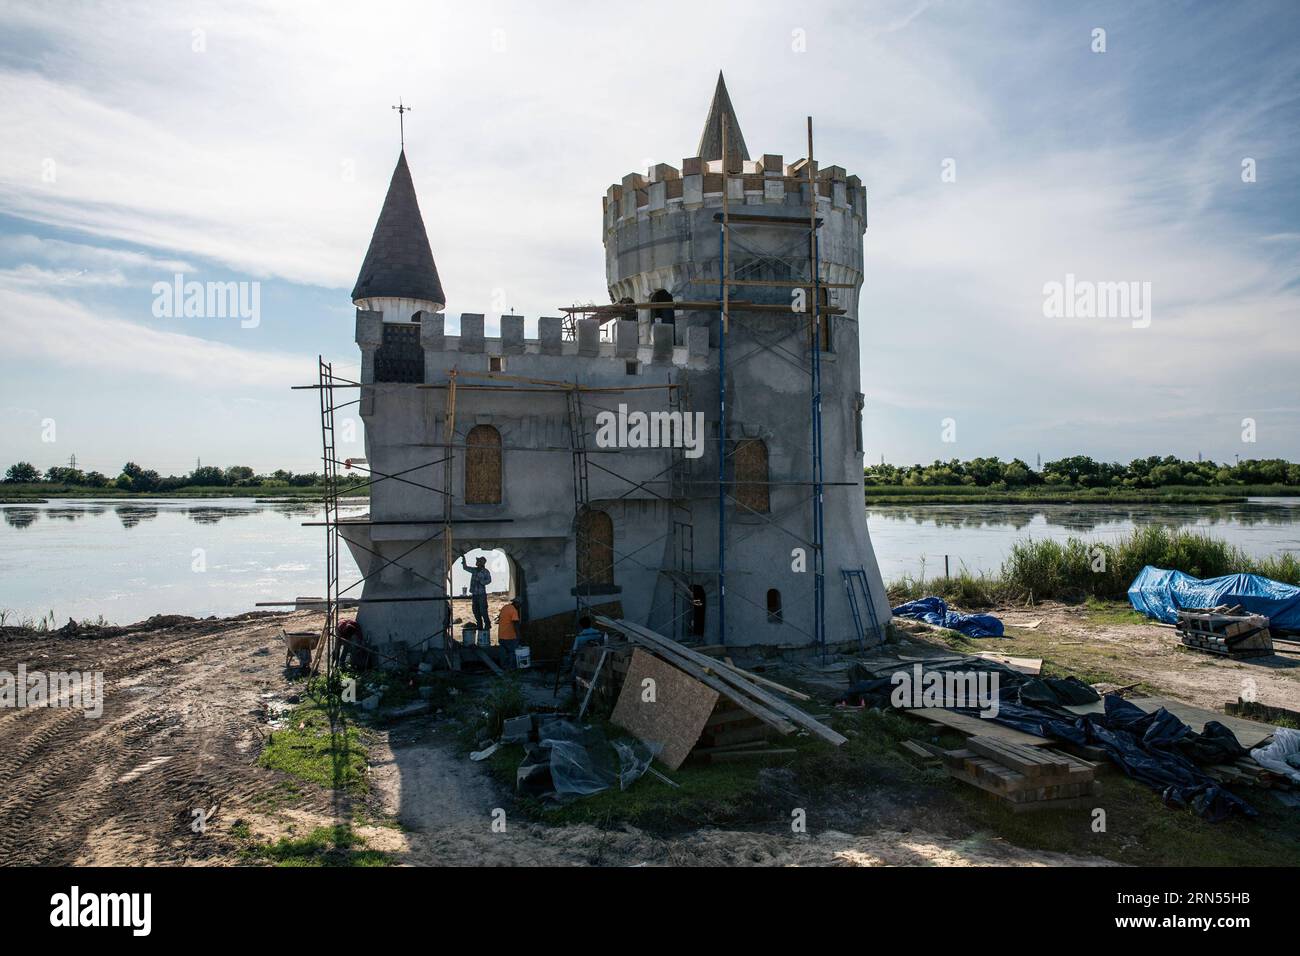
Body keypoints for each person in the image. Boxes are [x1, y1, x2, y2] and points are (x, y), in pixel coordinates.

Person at [461, 555, 492, 632]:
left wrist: (482, 581)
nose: (476, 562)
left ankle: (487, 624)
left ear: (481, 563)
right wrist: (464, 559)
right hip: (475, 594)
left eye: (478, 561)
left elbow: (489, 580)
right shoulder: (474, 570)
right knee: (475, 610)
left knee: (483, 610)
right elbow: (465, 567)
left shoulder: (486, 571)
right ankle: (479, 624)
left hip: (481, 594)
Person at [496, 598, 522, 669]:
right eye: (519, 605)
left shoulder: (505, 607)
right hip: (510, 637)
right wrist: (518, 636)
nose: (519, 607)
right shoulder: (514, 611)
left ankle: (503, 667)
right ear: (516, 604)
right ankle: (511, 669)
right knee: (512, 652)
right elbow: (516, 624)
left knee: (503, 653)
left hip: (501, 635)